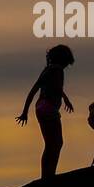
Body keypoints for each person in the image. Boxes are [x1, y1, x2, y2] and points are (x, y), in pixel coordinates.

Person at [16, 45, 75, 179]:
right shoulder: (58, 69)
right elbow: (58, 87)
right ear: (64, 59)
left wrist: (25, 111)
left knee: (50, 144)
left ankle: (46, 175)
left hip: (40, 107)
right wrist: (65, 100)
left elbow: (34, 90)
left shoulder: (48, 70)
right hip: (49, 109)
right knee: (57, 143)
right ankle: (49, 175)